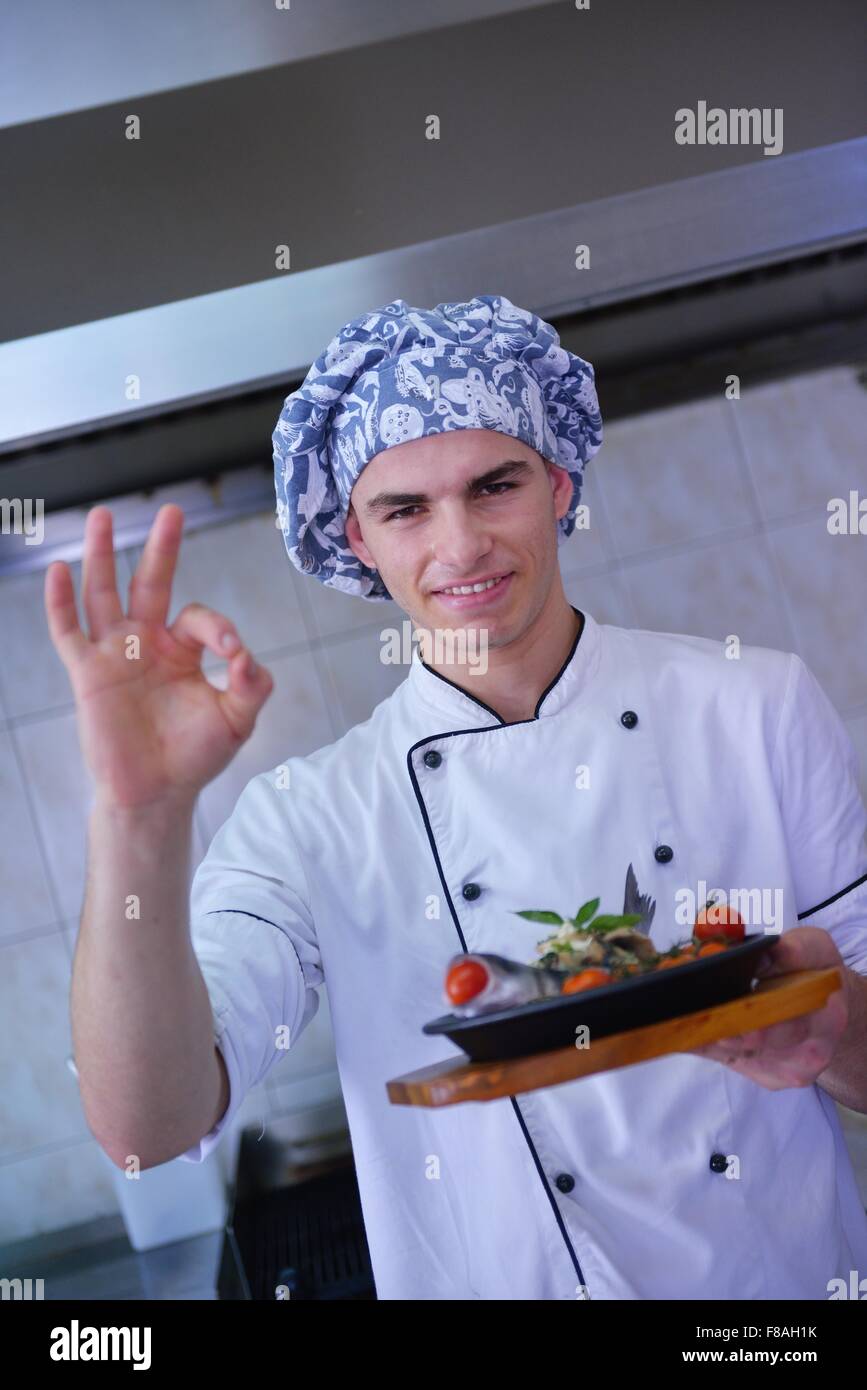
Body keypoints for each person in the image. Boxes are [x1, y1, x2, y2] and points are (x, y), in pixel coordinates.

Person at [47, 295, 867, 1300]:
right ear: (357, 533)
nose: (463, 544)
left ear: (560, 480)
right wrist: (139, 819)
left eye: (495, 484)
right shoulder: (312, 818)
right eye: (406, 509)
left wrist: (827, 1023)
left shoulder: (758, 706)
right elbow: (148, 1130)